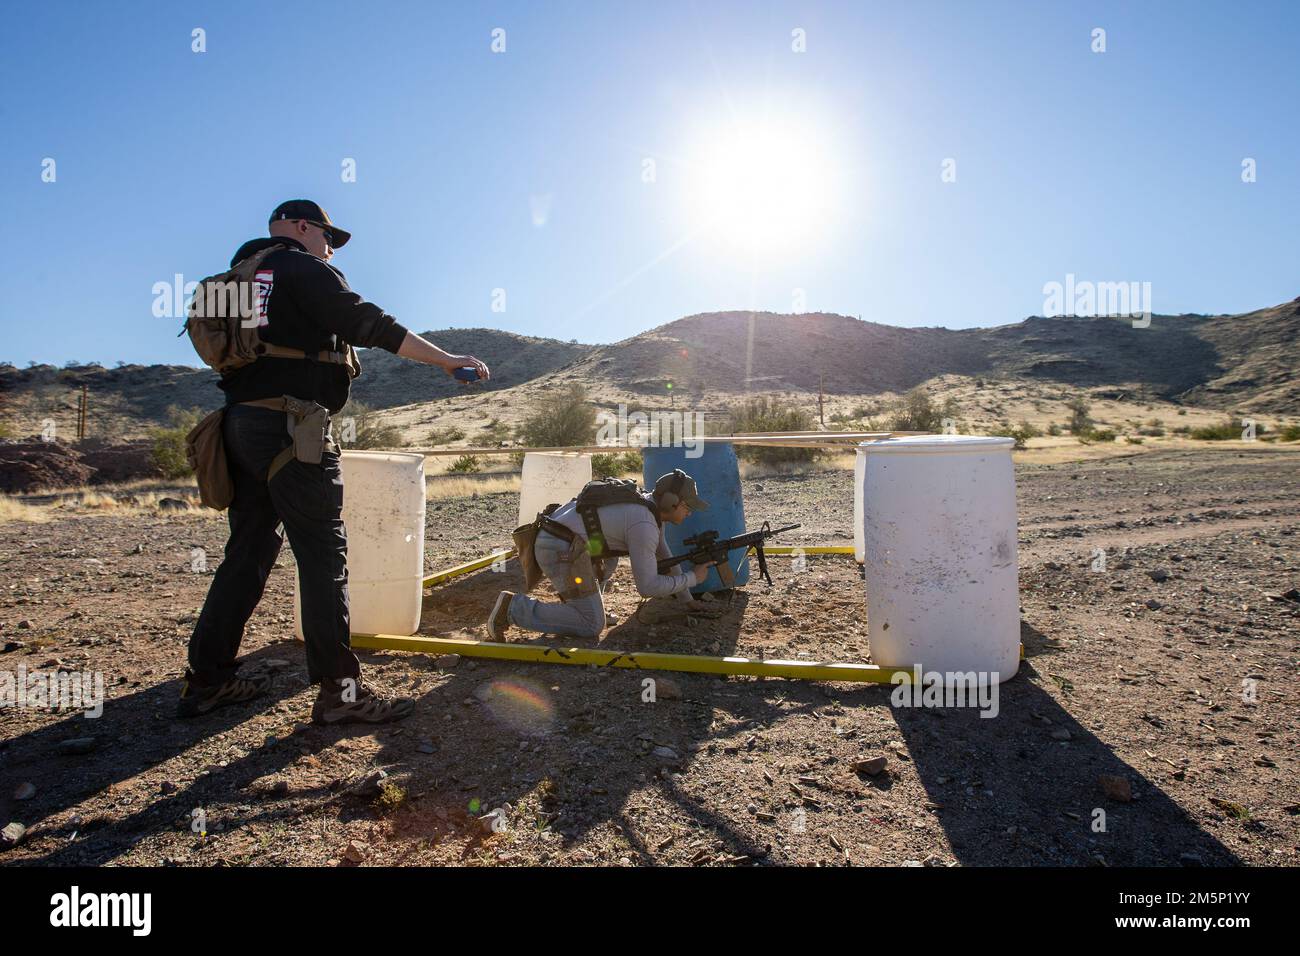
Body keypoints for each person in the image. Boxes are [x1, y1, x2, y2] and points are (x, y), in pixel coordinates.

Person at [179, 199, 490, 724]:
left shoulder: (234, 282)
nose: (330, 247)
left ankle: (208, 680)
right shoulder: (301, 266)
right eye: (327, 236)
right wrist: (447, 360)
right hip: (290, 428)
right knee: (324, 558)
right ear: (302, 227)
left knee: (248, 552)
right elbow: (370, 324)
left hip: (237, 426)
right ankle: (340, 696)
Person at [488, 470, 715, 640]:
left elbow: (664, 557)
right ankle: (513, 609)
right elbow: (647, 587)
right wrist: (693, 578)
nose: (689, 512)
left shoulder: (649, 509)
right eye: (687, 507)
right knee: (592, 624)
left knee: (610, 559)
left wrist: (688, 600)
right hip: (559, 547)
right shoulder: (644, 523)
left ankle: (577, 603)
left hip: (563, 541)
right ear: (671, 503)